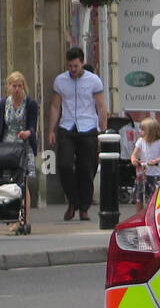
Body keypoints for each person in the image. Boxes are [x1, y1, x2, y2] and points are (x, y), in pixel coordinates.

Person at [47, 47, 106, 222]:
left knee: (86, 168)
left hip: (88, 127)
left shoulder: (94, 81)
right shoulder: (60, 81)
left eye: (75, 66)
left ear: (82, 62)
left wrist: (103, 131)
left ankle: (84, 207)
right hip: (67, 126)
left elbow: (101, 106)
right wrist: (51, 129)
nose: (72, 69)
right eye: (70, 66)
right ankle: (72, 201)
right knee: (64, 165)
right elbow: (55, 106)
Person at [0, 71, 39, 231]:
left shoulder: (30, 103)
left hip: (24, 147)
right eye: (14, 86)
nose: (17, 89)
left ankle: (24, 219)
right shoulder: (3, 103)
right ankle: (11, 216)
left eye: (19, 86)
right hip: (6, 148)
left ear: (24, 87)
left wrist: (28, 133)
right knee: (7, 183)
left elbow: (32, 125)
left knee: (23, 183)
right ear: (9, 87)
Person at [129, 117, 160, 213]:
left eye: (142, 129)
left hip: (156, 173)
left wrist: (155, 161)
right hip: (143, 173)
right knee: (139, 196)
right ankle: (139, 215)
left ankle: (153, 214)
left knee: (154, 197)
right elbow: (134, 154)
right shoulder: (140, 141)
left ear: (150, 131)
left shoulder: (159, 142)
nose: (140, 131)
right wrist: (134, 159)